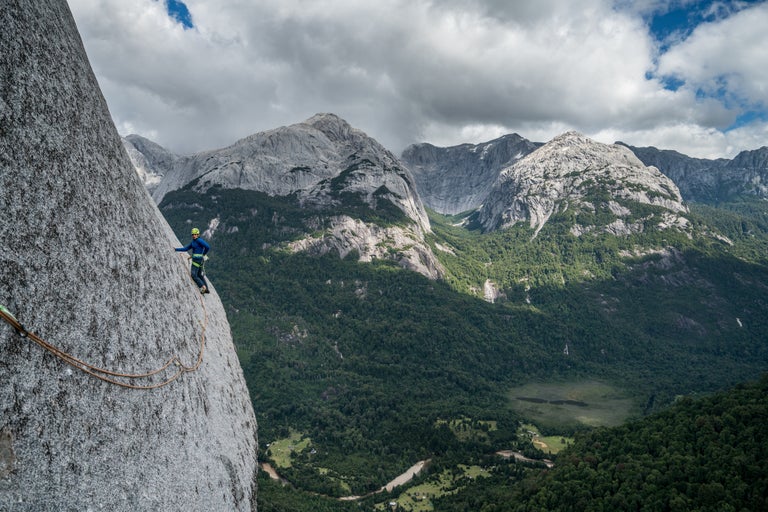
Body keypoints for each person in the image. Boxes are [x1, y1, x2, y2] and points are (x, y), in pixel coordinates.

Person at [176, 227, 211, 294]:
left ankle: (203, 287)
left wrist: (203, 254)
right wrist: (176, 249)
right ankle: (206, 289)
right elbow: (186, 249)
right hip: (199, 260)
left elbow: (207, 247)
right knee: (199, 274)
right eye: (193, 234)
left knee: (194, 275)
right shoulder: (193, 242)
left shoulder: (199, 240)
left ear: (198, 234)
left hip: (197, 260)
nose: (194, 235)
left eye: (195, 234)